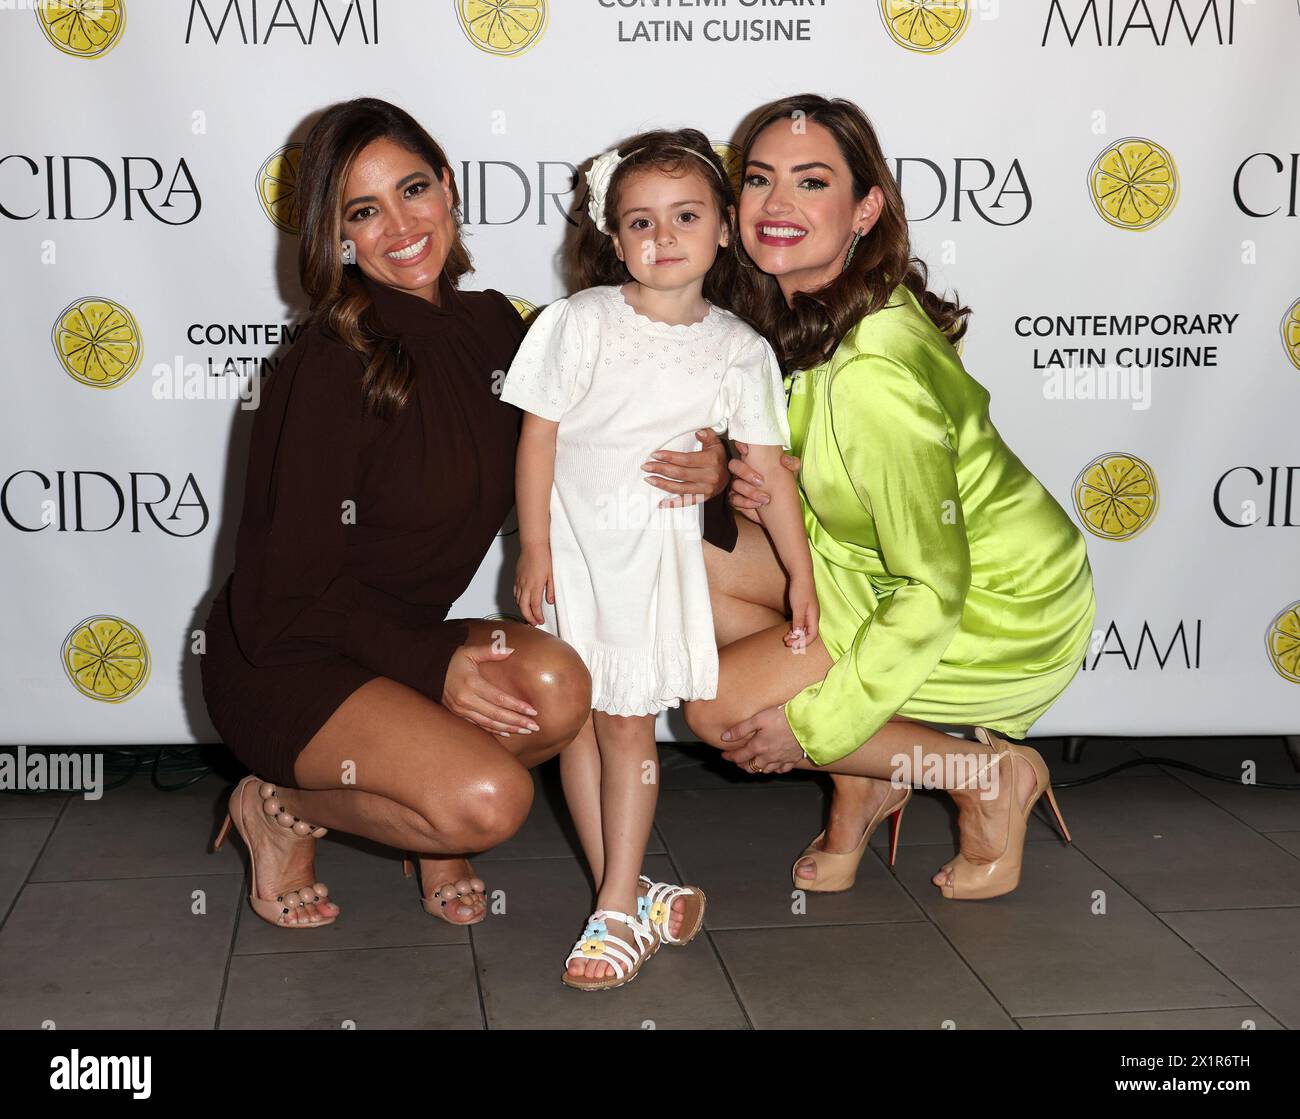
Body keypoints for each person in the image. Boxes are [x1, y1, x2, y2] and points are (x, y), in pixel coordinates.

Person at [202, 99, 734, 930]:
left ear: (448, 186)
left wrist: (715, 470)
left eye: (414, 189)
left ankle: (425, 803)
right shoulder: (325, 366)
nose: (401, 226)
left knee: (559, 686)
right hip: (289, 658)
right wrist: (428, 663)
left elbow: (610, 439)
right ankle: (281, 805)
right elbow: (281, 595)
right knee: (490, 802)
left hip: (401, 639)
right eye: (363, 210)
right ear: (336, 233)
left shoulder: (503, 330)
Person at [683, 94, 1097, 901]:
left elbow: (934, 588)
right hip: (869, 568)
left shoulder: (874, 374)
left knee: (717, 714)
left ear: (865, 208)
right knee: (695, 559)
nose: (777, 205)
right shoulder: (806, 309)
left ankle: (977, 775)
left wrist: (815, 730)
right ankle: (868, 778)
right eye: (761, 179)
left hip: (995, 603)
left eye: (811, 183)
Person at [501, 129, 813, 989]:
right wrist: (533, 545)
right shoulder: (578, 322)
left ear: (723, 229)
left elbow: (767, 476)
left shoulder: (742, 349)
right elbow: (538, 437)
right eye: (640, 221)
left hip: (651, 569)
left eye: (685, 216)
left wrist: (804, 577)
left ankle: (610, 911)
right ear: (613, 236)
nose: (663, 236)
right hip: (575, 558)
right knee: (581, 719)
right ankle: (628, 887)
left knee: (628, 724)